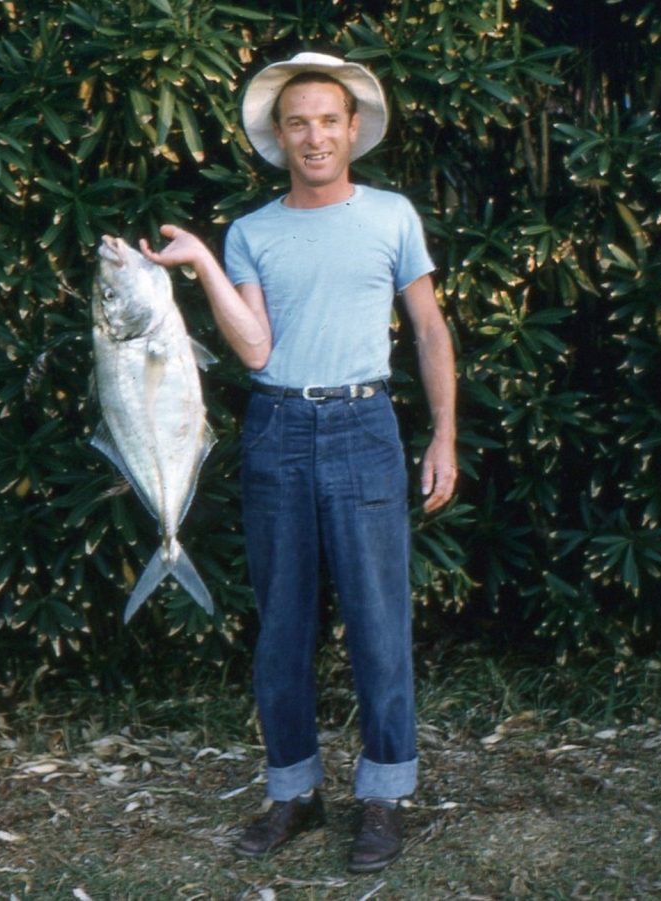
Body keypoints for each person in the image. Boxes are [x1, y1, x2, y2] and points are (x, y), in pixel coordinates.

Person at [141, 51, 457, 874]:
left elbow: (428, 331)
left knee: (380, 622)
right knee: (283, 624)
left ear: (353, 130)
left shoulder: (392, 216)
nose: (314, 136)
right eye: (297, 122)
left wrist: (444, 434)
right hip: (278, 431)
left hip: (366, 428)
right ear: (278, 138)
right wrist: (206, 262)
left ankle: (383, 796)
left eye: (328, 120)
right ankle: (294, 791)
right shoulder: (251, 232)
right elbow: (255, 348)